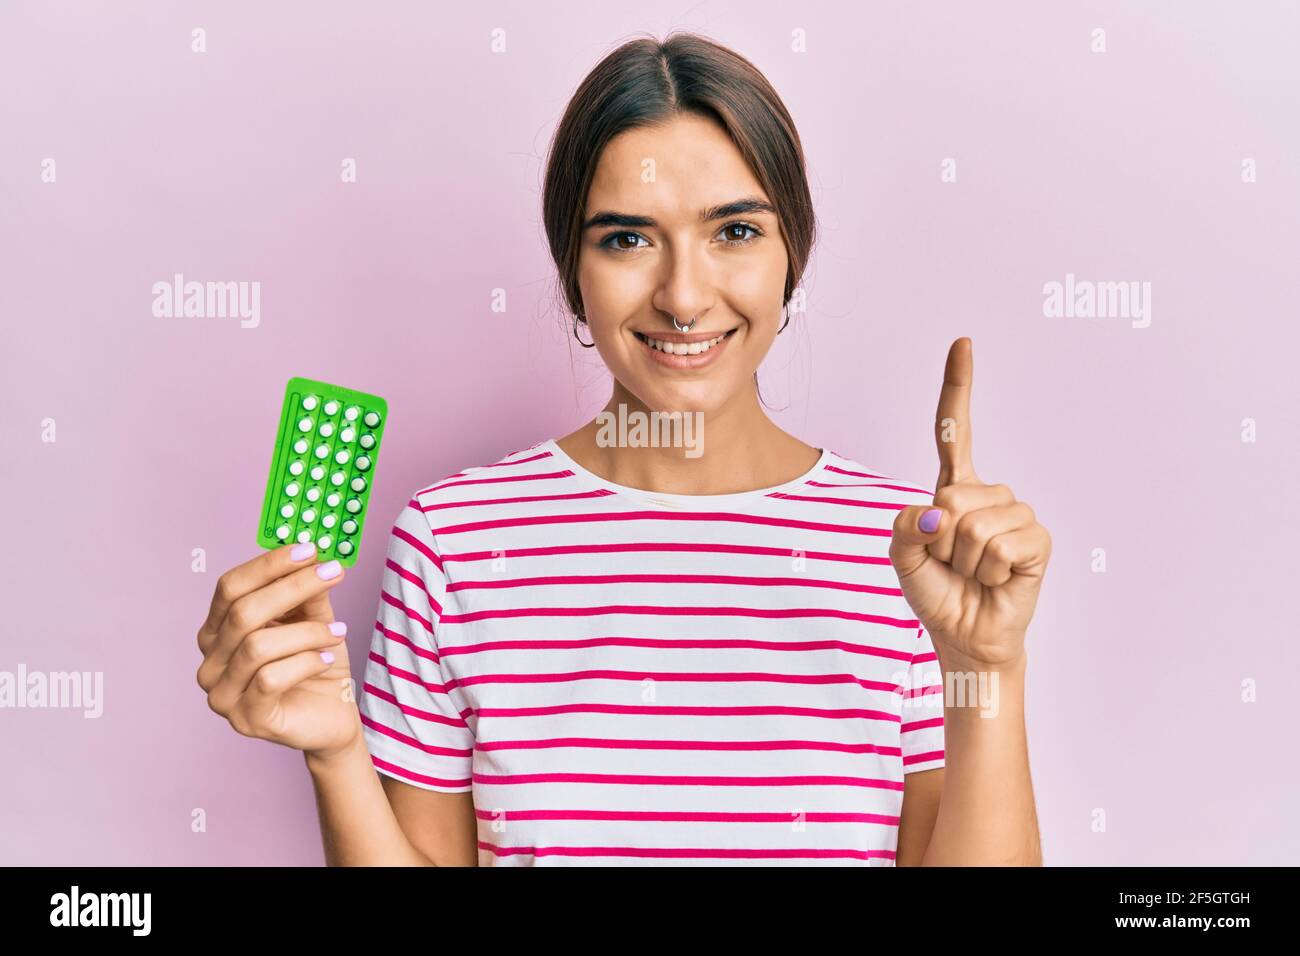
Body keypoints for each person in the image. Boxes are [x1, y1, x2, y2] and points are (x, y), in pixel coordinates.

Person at [195, 32, 1051, 866]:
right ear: (574, 270)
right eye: (627, 238)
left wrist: (988, 667)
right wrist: (336, 755)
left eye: (736, 232)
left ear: (794, 253)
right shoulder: (454, 544)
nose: (683, 295)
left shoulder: (909, 553)